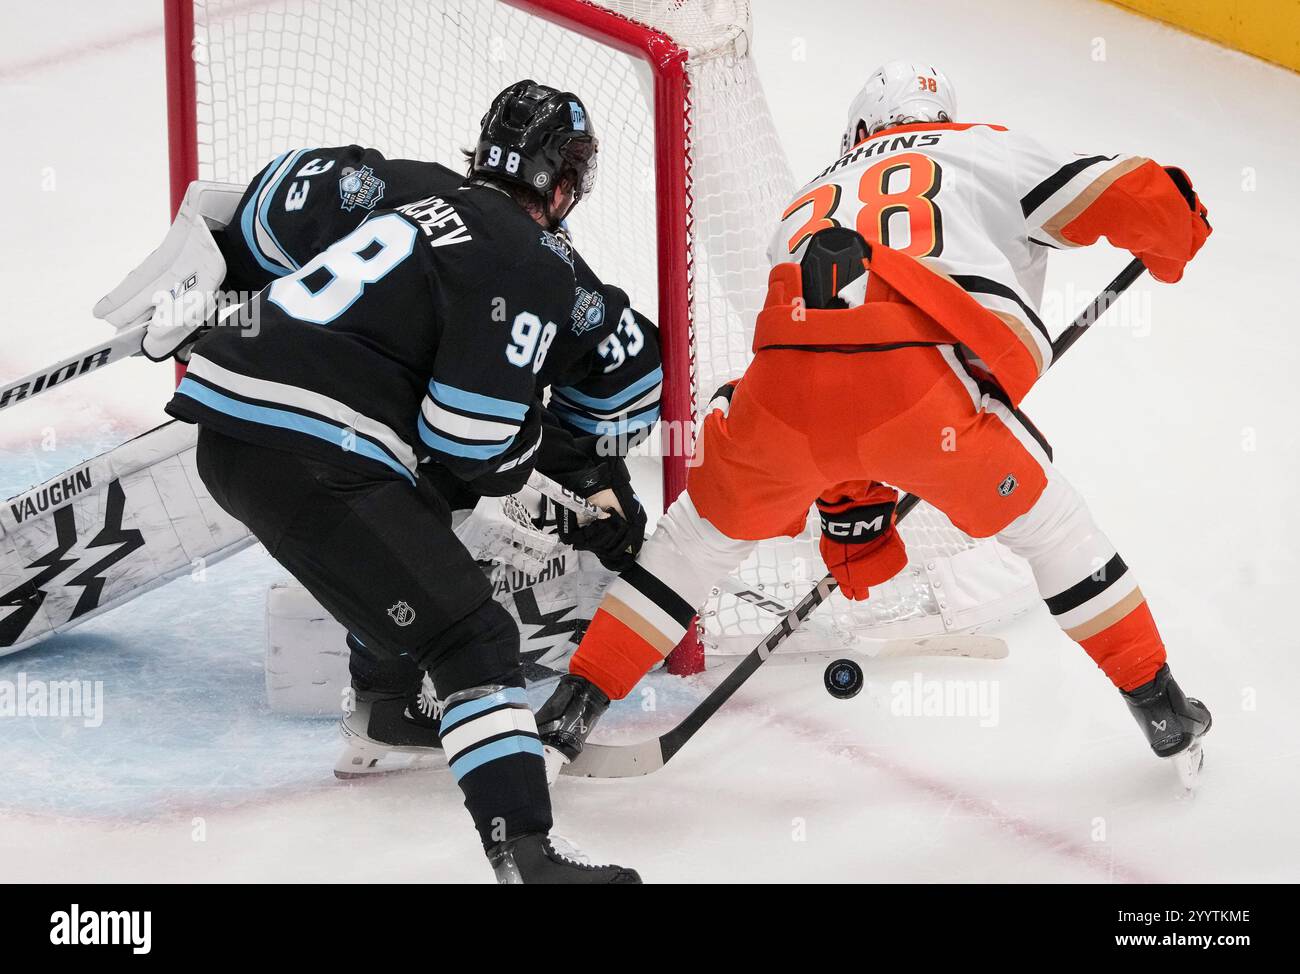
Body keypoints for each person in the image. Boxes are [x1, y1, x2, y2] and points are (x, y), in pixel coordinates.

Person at [538, 61, 1213, 786]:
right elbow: (1117, 190)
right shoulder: (982, 147)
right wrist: (1174, 221)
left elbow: (829, 369)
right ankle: (1161, 706)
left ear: (859, 129)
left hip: (782, 402)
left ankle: (571, 710)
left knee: (690, 545)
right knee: (1055, 532)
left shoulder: (803, 204)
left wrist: (850, 511)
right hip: (924, 396)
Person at [152, 80, 649, 882]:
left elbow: (268, 205)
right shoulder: (531, 260)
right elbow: (470, 444)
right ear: (562, 183)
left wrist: (226, 286)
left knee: (415, 509)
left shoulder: (408, 190)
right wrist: (546, 451)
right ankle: (527, 857)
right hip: (309, 452)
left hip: (230, 423)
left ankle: (385, 701)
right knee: (473, 637)